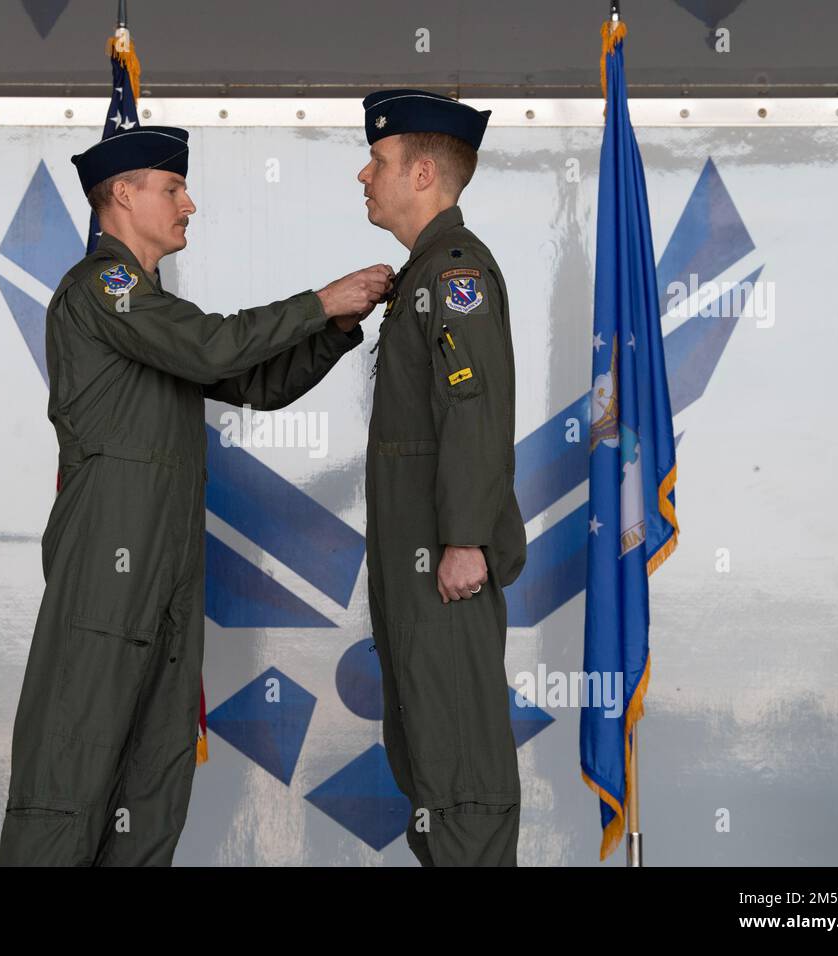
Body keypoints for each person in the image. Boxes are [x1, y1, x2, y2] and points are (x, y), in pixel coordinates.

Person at [0, 126, 392, 866]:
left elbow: (255, 382)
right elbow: (213, 347)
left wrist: (335, 329)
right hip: (109, 569)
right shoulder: (102, 288)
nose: (190, 204)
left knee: (153, 783)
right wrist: (318, 299)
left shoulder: (149, 309)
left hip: (167, 569)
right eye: (173, 189)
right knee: (69, 772)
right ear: (122, 193)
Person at [357, 90, 528, 866]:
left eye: (380, 161)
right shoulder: (420, 277)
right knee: (430, 765)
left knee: (461, 773)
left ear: (423, 172)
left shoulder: (457, 274)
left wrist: (463, 540)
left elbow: (475, 411)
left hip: (443, 566)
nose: (364, 174)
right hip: (413, 566)